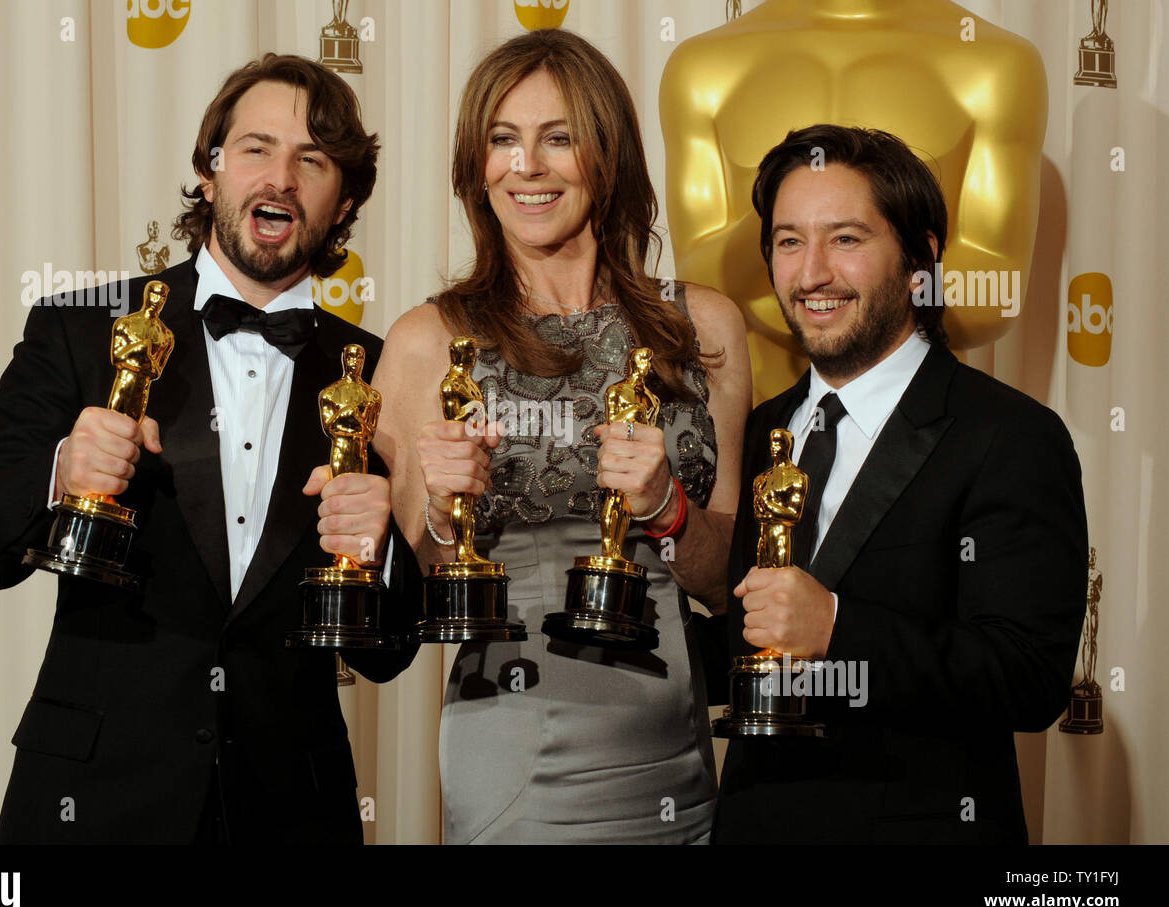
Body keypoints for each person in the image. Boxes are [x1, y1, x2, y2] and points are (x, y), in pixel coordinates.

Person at [0, 53, 420, 844]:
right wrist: (56, 474)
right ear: (209, 169)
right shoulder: (82, 329)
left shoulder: (379, 367)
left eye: (312, 161)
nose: (280, 178)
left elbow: (388, 655)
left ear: (344, 199)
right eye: (255, 148)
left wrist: (382, 547)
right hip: (92, 804)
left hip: (293, 813)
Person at [372, 30, 751, 844]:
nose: (526, 167)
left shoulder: (704, 328)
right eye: (502, 141)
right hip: (519, 739)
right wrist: (441, 511)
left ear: (607, 152)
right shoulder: (426, 342)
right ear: (477, 167)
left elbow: (724, 581)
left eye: (558, 138)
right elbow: (421, 583)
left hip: (678, 752)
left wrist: (666, 508)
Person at [705, 124, 1087, 844]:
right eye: (789, 241)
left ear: (921, 258)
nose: (811, 272)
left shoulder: (1008, 435)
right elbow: (748, 643)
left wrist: (840, 629)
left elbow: (1029, 676)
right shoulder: (765, 431)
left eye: (846, 239)